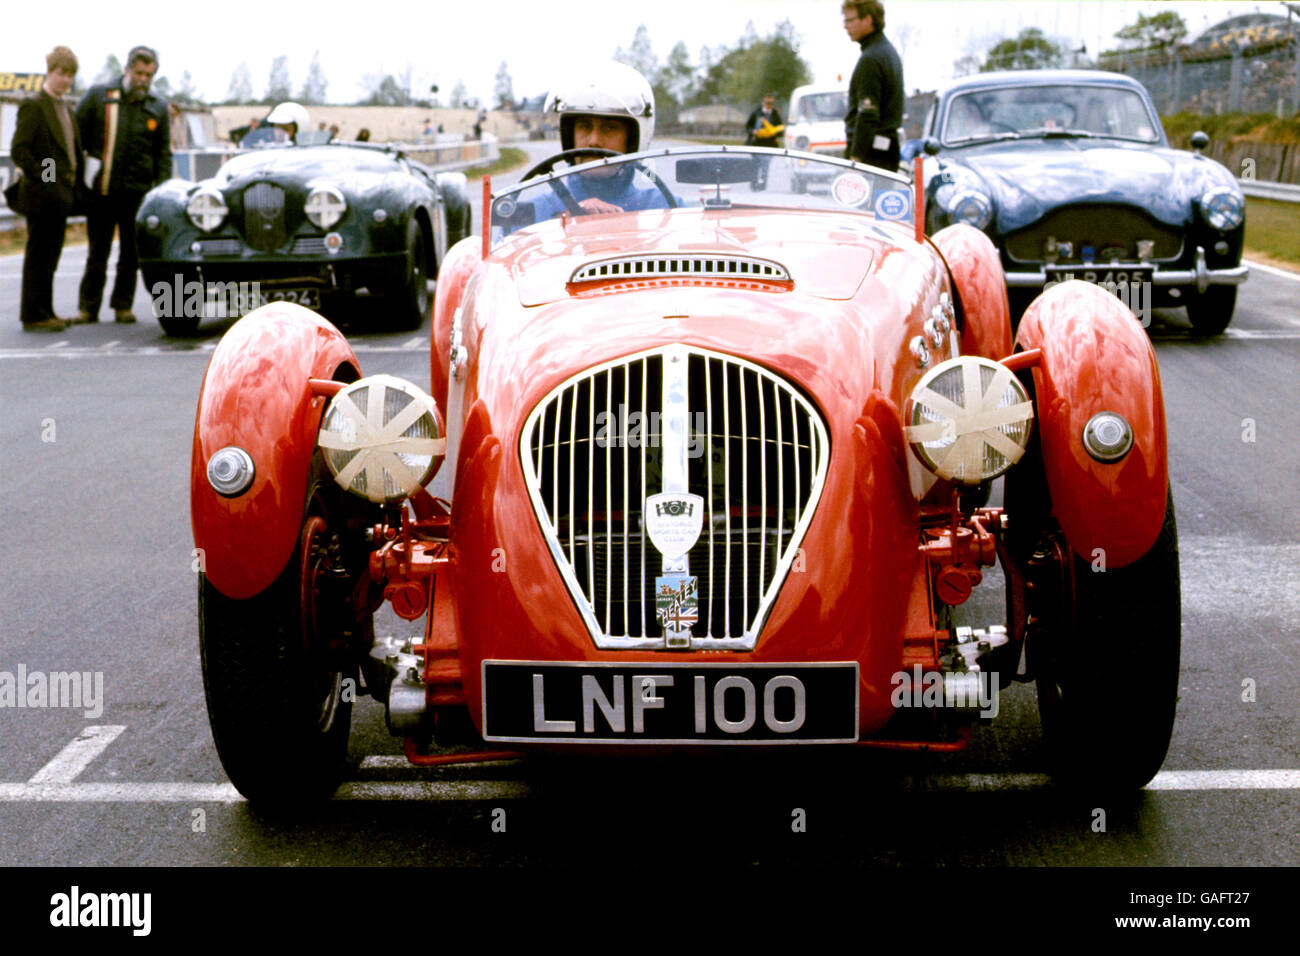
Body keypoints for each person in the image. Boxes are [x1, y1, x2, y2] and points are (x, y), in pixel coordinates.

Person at [74, 45, 171, 324]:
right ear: (127, 69)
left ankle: (122, 305)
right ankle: (87, 307)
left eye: (149, 76)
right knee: (97, 252)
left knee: (131, 255)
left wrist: (161, 192)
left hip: (137, 195)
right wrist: (56, 175)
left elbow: (163, 154)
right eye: (139, 73)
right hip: (101, 191)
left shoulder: (158, 106)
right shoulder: (99, 96)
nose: (143, 80)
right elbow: (71, 137)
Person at [528, 60, 668, 219]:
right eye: (584, 126)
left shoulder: (664, 210)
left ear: (632, 140)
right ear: (569, 137)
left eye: (610, 128)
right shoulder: (532, 214)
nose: (594, 141)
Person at [13, 46, 83, 332]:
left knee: (50, 257)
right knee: (38, 256)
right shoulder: (35, 105)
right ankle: (33, 314)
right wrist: (49, 178)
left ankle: (46, 310)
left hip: (61, 197)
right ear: (49, 71)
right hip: (43, 196)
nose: (65, 80)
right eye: (61, 73)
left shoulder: (65, 106)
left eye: (70, 75)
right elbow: (21, 150)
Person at [842, 0, 904, 170]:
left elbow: (868, 115)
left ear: (868, 20)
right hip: (885, 151)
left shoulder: (871, 59)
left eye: (849, 20)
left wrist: (855, 160)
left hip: (871, 157)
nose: (845, 26)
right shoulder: (888, 52)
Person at [744, 92, 784, 191]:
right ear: (763, 102)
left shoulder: (775, 115)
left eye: (771, 104)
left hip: (769, 145)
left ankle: (762, 187)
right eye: (767, 103)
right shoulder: (756, 113)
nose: (769, 106)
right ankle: (753, 185)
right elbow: (748, 126)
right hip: (756, 144)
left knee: (765, 167)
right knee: (755, 166)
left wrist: (774, 133)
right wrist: (753, 131)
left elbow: (780, 129)